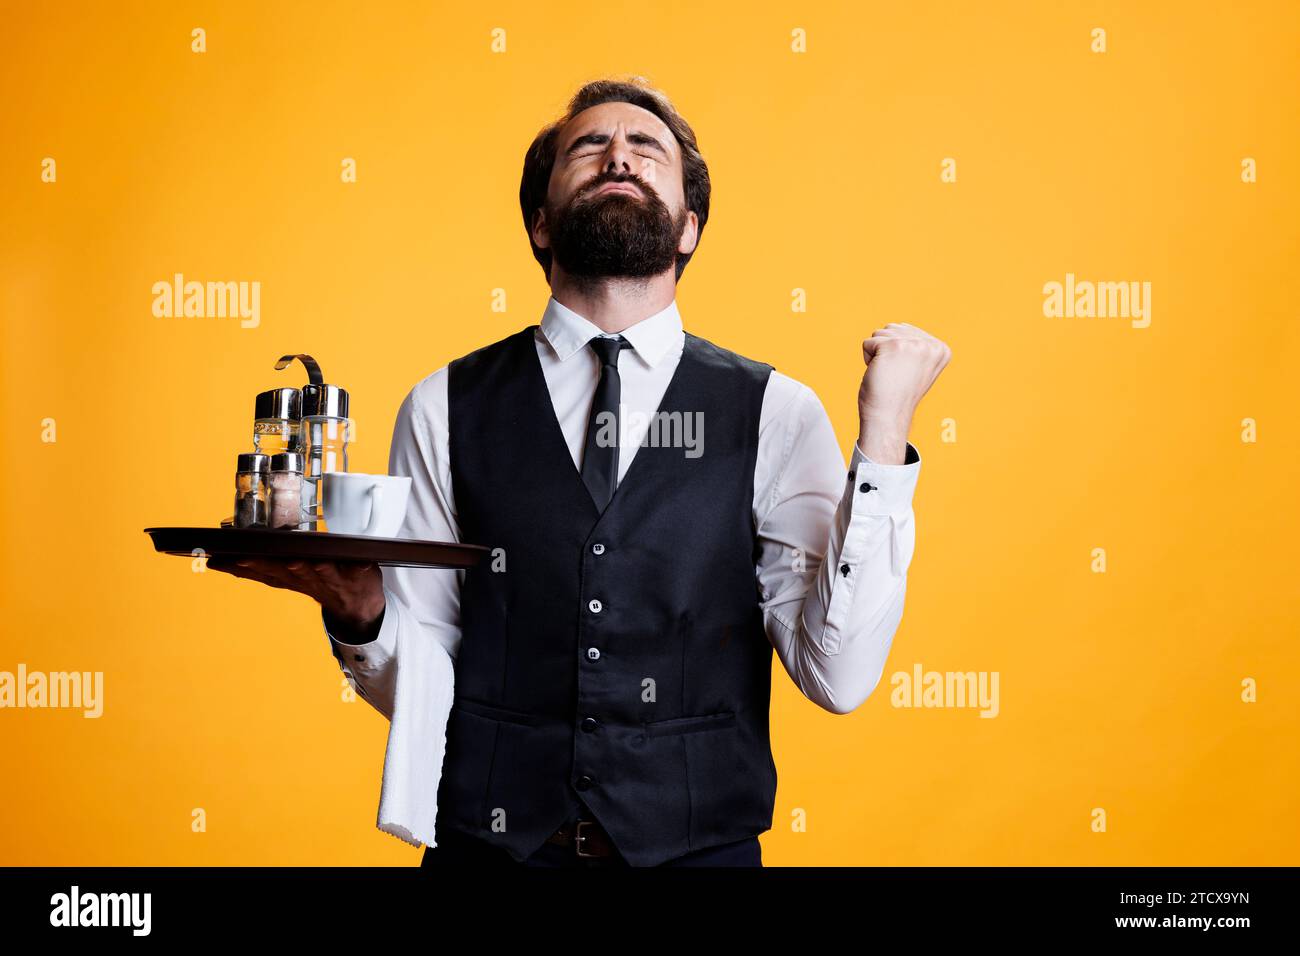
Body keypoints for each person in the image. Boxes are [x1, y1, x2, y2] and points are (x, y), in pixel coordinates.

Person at [208, 76, 951, 867]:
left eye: (646, 146)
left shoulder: (775, 410)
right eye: (589, 145)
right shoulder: (444, 405)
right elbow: (427, 691)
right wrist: (361, 613)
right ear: (539, 221)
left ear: (689, 227)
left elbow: (836, 674)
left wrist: (882, 437)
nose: (619, 155)